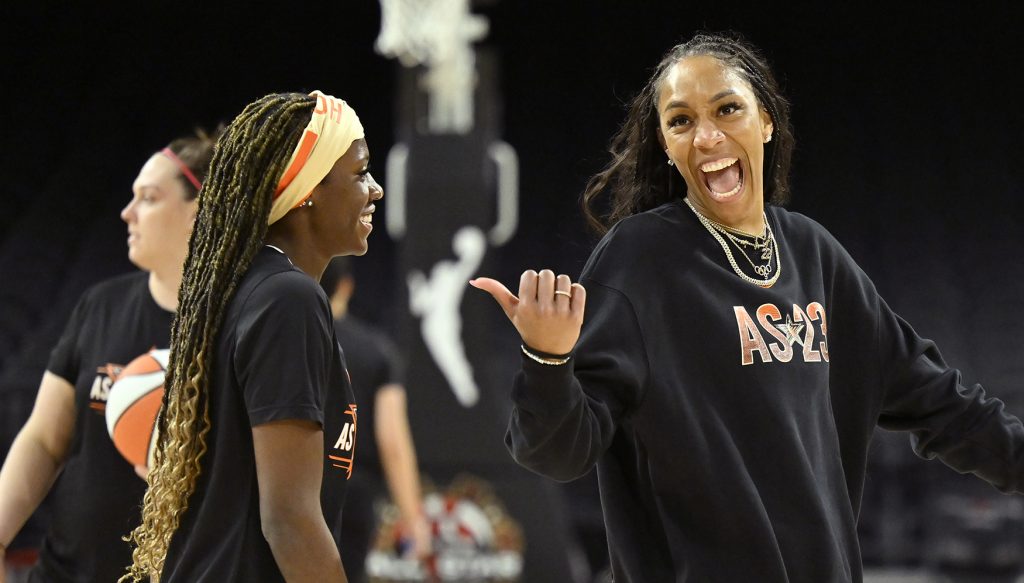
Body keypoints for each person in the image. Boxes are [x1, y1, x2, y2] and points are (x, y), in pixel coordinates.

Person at [470, 32, 1024, 582]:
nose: (707, 135)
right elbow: (557, 455)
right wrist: (547, 362)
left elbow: (942, 404)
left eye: (727, 109)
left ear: (766, 122)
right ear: (665, 143)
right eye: (681, 120)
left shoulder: (814, 255)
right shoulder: (639, 262)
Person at [121, 90, 382, 583]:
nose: (375, 190)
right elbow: (289, 520)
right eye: (360, 173)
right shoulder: (288, 299)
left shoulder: (247, 289)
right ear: (308, 189)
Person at [0, 129, 218, 583]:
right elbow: (44, 438)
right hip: (64, 572)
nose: (127, 213)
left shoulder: (242, 327)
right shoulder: (100, 305)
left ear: (197, 215)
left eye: (149, 198)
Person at [320, 257, 431, 582]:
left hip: (299, 487)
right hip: (354, 490)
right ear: (346, 286)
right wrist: (413, 518)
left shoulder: (290, 339)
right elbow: (393, 441)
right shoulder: (376, 351)